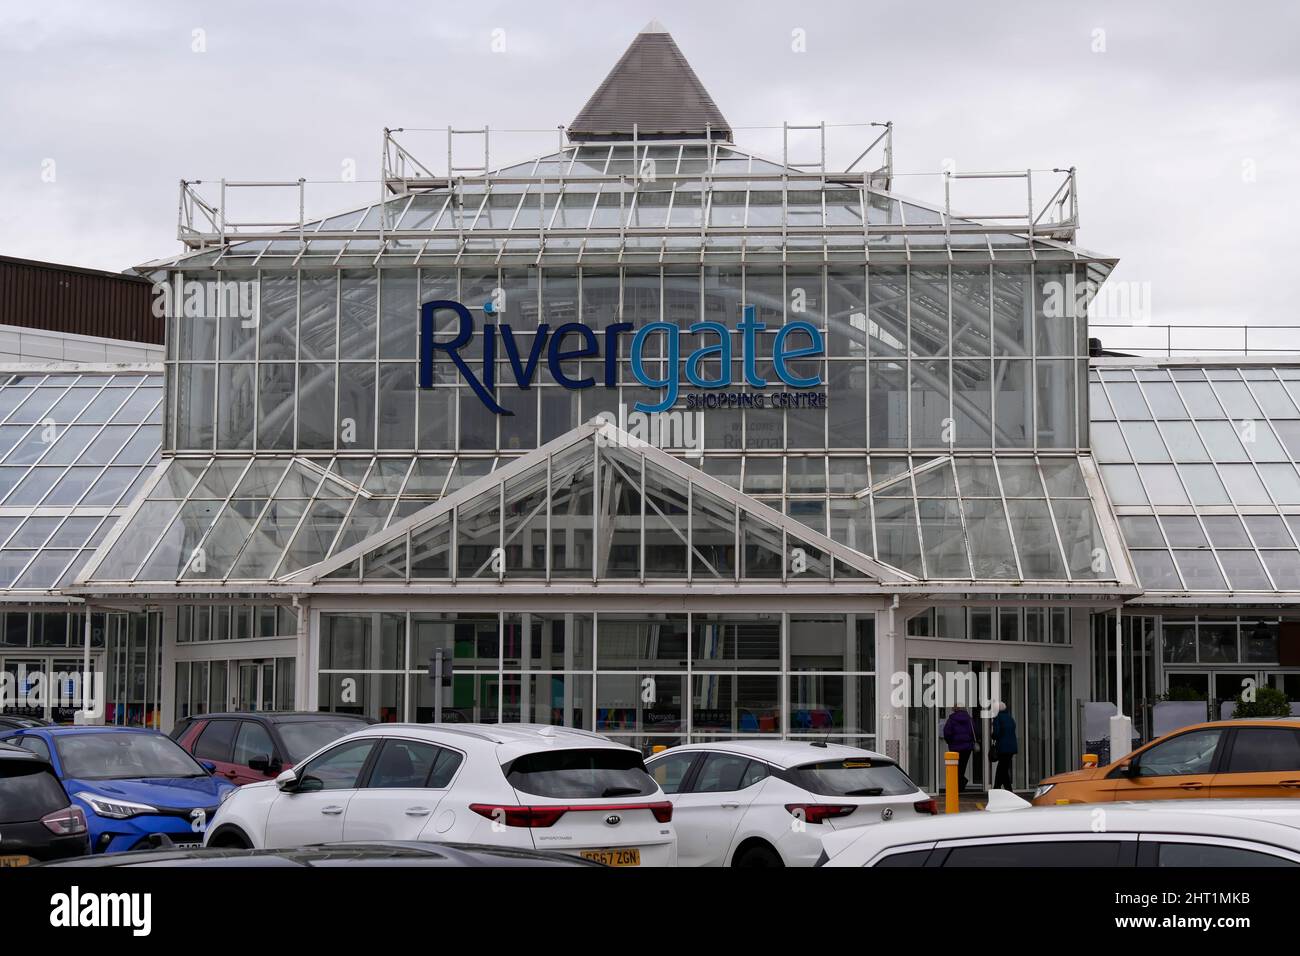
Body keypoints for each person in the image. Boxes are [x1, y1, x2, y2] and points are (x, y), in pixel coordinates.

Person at [942, 705, 976, 790]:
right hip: (967, 748)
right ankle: (960, 785)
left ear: (955, 709)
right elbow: (975, 731)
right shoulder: (969, 719)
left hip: (955, 748)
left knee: (955, 767)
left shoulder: (951, 720)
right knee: (962, 767)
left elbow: (947, 732)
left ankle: (959, 785)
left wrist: (950, 742)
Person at [991, 701, 1018, 791]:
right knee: (1004, 768)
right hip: (1011, 747)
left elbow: (996, 733)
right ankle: (1008, 788)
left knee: (1001, 768)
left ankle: (996, 787)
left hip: (1003, 747)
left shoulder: (997, 718)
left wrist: (992, 735)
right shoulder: (1010, 718)